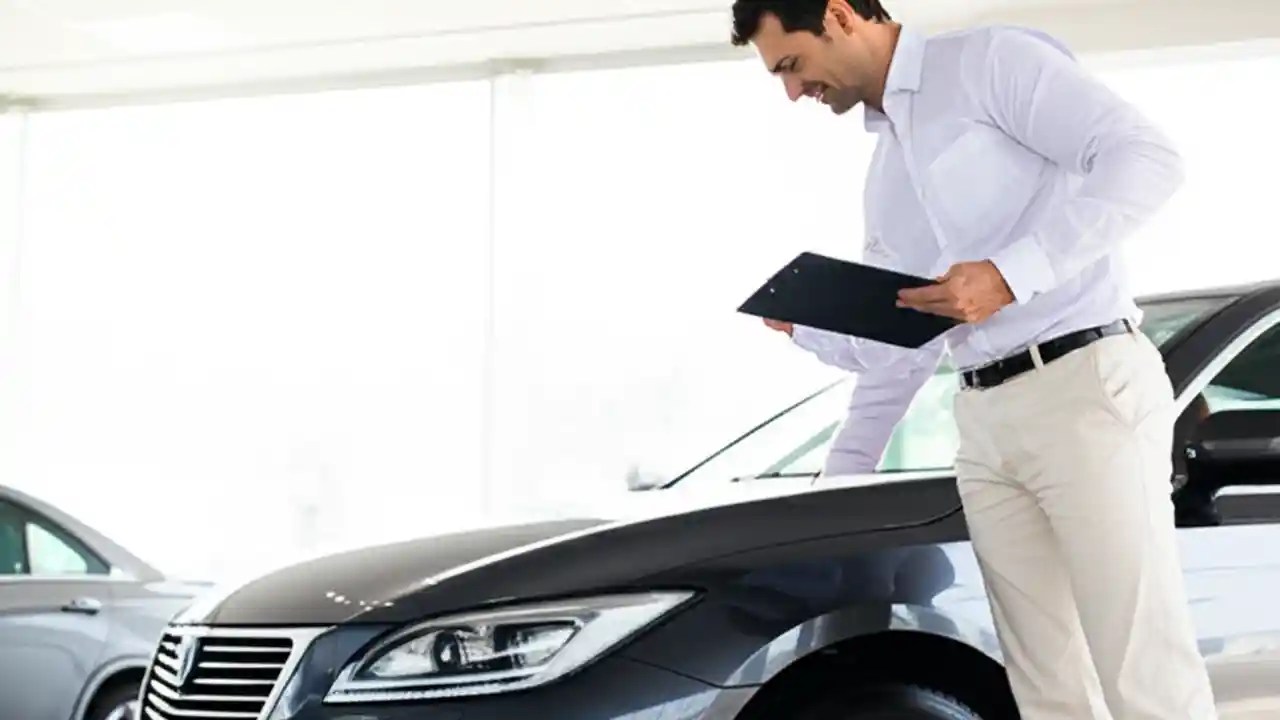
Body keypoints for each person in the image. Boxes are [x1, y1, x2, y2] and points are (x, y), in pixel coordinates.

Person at [732, 1, 1217, 719]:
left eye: (793, 65)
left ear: (839, 15)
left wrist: (1009, 275)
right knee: (1045, 683)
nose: (793, 92)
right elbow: (902, 344)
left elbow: (1147, 159)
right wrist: (814, 350)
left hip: (1083, 385)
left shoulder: (991, 62)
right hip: (984, 418)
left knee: (1142, 667)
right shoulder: (888, 172)